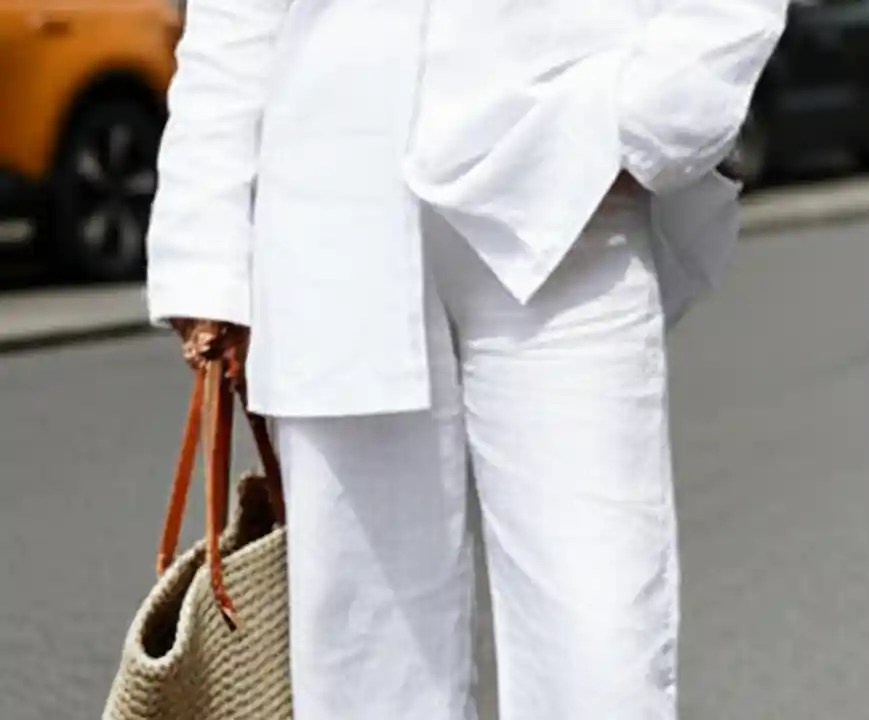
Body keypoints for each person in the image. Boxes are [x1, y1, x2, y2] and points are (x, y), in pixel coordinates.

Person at [146, 0, 786, 717]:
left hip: (564, 175)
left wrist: (653, 118)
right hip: (330, 202)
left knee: (602, 647)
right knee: (365, 659)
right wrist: (204, 248)